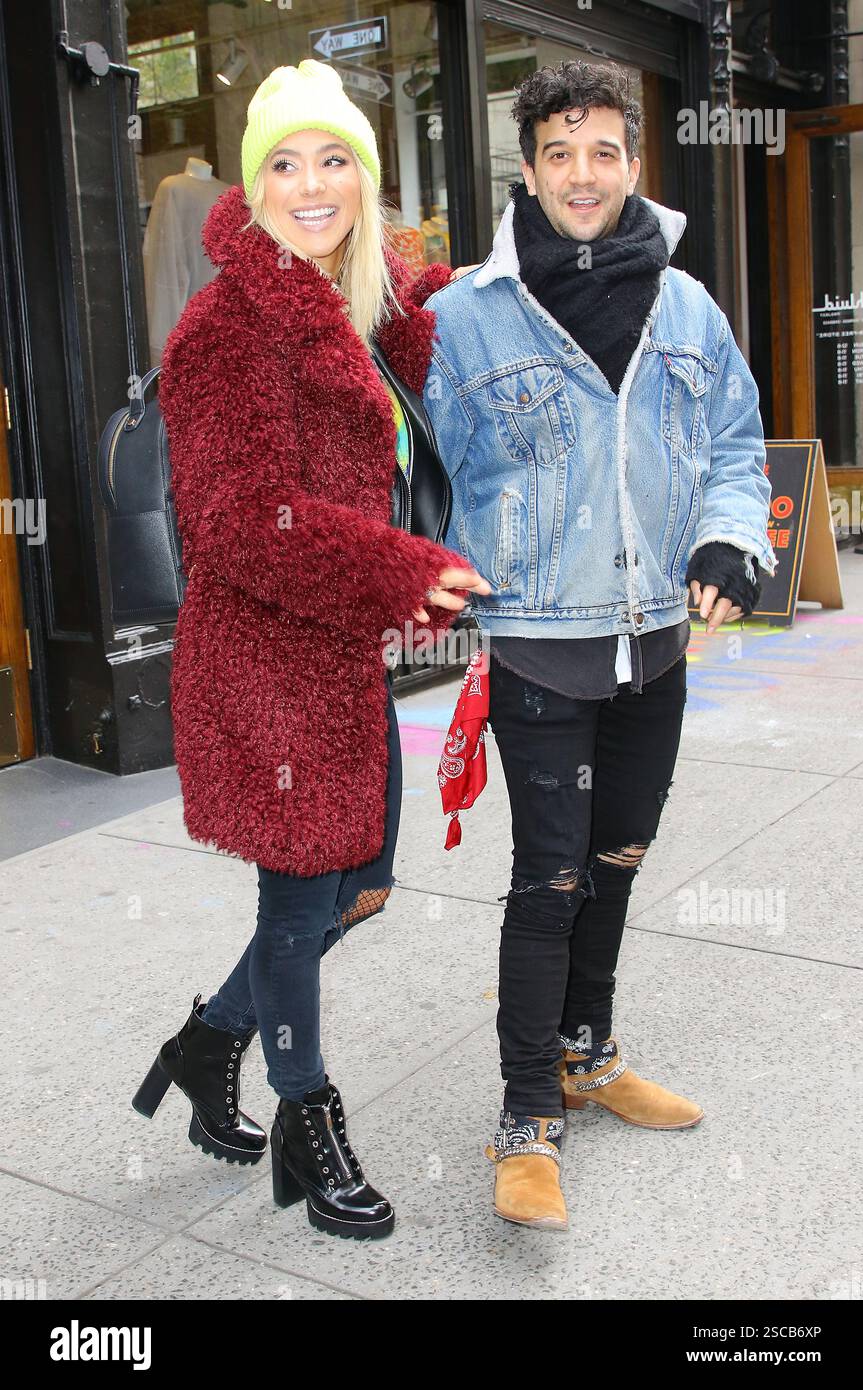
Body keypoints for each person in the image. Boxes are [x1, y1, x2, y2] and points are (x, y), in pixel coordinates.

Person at [131, 60, 489, 1241]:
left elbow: (402, 335)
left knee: (359, 889)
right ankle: (307, 1109)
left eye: (335, 159)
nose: (312, 183)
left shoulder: (356, 299)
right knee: (299, 908)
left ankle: (202, 1041)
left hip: (338, 657)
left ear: (367, 179)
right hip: (265, 664)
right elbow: (237, 522)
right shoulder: (224, 329)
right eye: (284, 163)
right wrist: (398, 573)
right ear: (255, 183)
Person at [422, 61, 776, 1230]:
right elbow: (413, 472)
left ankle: (587, 1050)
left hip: (656, 643)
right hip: (536, 638)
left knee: (617, 858)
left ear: (633, 165)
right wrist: (415, 569)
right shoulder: (464, 315)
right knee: (550, 877)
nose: (584, 174)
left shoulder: (684, 304)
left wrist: (732, 540)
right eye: (560, 153)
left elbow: (732, 435)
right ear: (527, 168)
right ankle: (526, 1116)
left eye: (605, 152)